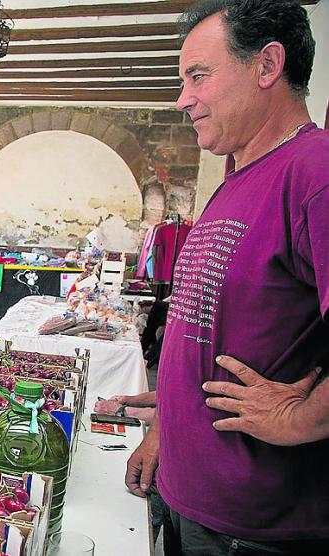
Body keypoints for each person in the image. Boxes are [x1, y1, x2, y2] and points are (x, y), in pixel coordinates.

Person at [125, 1, 329, 553]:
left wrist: (301, 418)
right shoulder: (237, 178)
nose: (183, 98)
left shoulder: (315, 171)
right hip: (190, 496)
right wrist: (166, 430)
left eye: (198, 76)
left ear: (267, 66)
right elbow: (207, 325)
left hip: (254, 528)